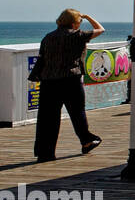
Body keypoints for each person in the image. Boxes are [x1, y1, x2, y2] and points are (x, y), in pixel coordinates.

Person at [30, 8, 104, 161]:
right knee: (77, 113)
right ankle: (86, 140)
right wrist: (88, 16)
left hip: (48, 82)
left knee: (47, 118)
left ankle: (45, 153)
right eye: (79, 21)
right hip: (71, 80)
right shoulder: (77, 36)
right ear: (74, 23)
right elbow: (100, 29)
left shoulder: (48, 37)